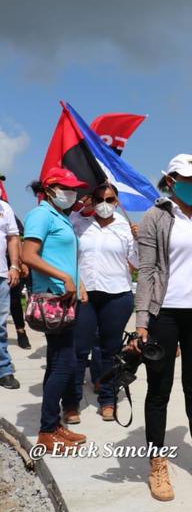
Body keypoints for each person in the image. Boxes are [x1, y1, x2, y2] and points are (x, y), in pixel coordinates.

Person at [135, 154, 192, 501]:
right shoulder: (155, 217)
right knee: (158, 389)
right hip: (167, 313)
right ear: (171, 180)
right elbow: (146, 271)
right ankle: (157, 464)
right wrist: (142, 320)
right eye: (189, 179)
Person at [21, 168, 88, 450]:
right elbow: (28, 254)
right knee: (64, 364)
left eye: (74, 188)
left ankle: (52, 424)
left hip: (65, 298)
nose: (71, 193)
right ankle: (47, 431)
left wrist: (77, 281)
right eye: (65, 187)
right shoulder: (40, 214)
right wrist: (64, 278)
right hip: (53, 299)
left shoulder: (60, 216)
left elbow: (61, 256)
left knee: (60, 363)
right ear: (48, 189)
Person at [70, 184, 138, 422]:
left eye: (109, 199)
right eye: (99, 199)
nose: (104, 204)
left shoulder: (125, 228)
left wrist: (139, 240)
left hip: (117, 294)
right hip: (84, 294)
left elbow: (137, 263)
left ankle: (108, 400)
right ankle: (71, 402)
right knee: (79, 350)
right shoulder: (78, 222)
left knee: (111, 351)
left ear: (117, 201)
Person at [0, 197, 22, 389]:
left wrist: (14, 265)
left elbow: (13, 237)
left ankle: (4, 369)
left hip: (1, 274)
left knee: (0, 325)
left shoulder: (5, 207)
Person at [7, 214, 30, 350]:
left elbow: (19, 240)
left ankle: (21, 332)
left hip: (10, 263)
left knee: (14, 300)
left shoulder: (8, 213)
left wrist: (22, 262)